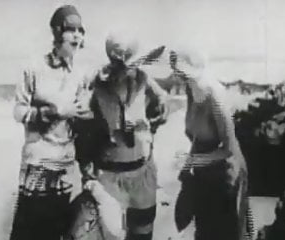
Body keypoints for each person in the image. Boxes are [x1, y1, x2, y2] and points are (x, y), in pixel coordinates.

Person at [9, 5, 93, 240]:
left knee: (56, 233)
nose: (77, 35)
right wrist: (53, 111)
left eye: (81, 30)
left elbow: (81, 125)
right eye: (71, 30)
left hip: (65, 167)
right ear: (57, 32)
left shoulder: (81, 74)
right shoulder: (34, 67)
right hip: (37, 164)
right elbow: (18, 112)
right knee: (27, 233)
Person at [76, 34, 168, 240]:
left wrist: (159, 115)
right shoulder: (96, 84)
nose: (138, 66)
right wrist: (85, 170)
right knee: (111, 234)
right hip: (109, 175)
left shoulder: (143, 79)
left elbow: (162, 100)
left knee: (142, 233)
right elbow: (80, 126)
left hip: (142, 172)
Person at [171, 48, 250, 240]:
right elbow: (197, 138)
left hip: (225, 176)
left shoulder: (214, 96)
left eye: (180, 72)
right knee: (203, 232)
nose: (176, 76)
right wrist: (188, 165)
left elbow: (229, 149)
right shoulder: (191, 90)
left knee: (222, 233)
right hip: (203, 174)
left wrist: (195, 160)